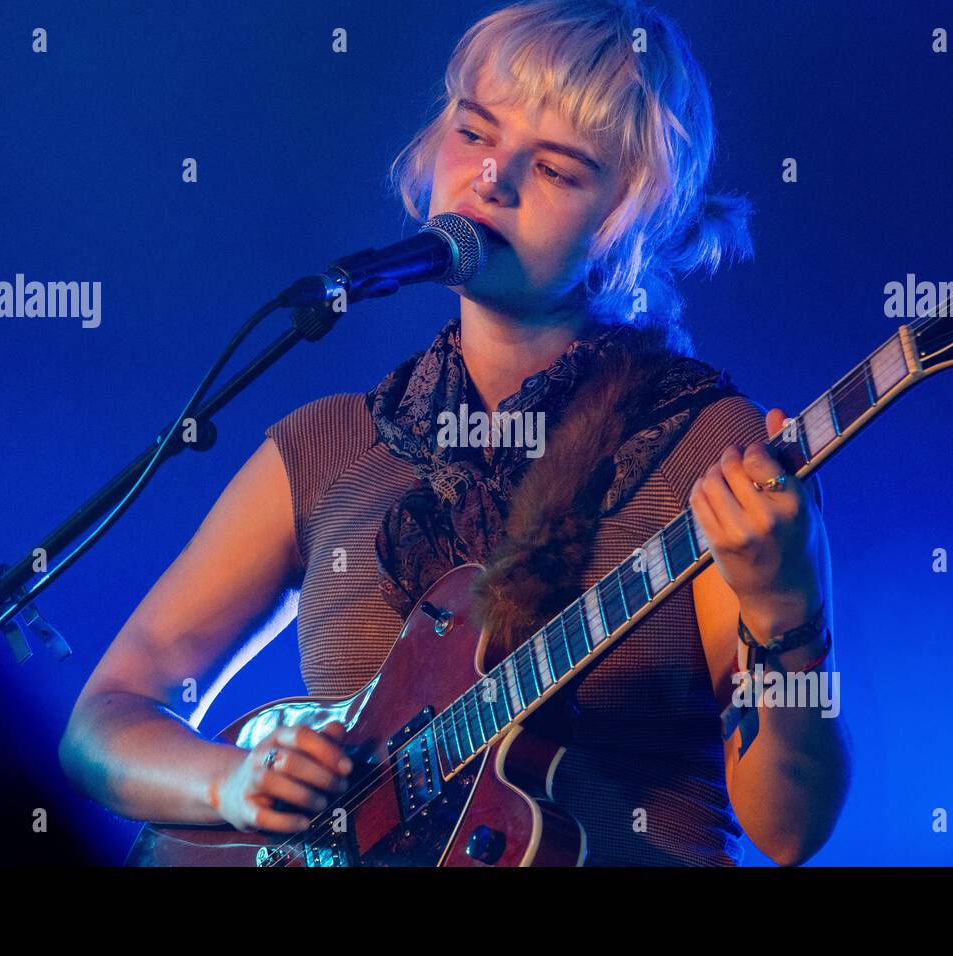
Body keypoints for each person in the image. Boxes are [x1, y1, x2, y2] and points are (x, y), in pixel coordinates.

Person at [60, 0, 850, 866]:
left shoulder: (713, 449)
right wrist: (229, 782)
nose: (492, 179)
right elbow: (106, 720)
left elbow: (790, 829)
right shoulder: (326, 447)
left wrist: (787, 612)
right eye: (474, 133)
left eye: (555, 169)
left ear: (630, 218)